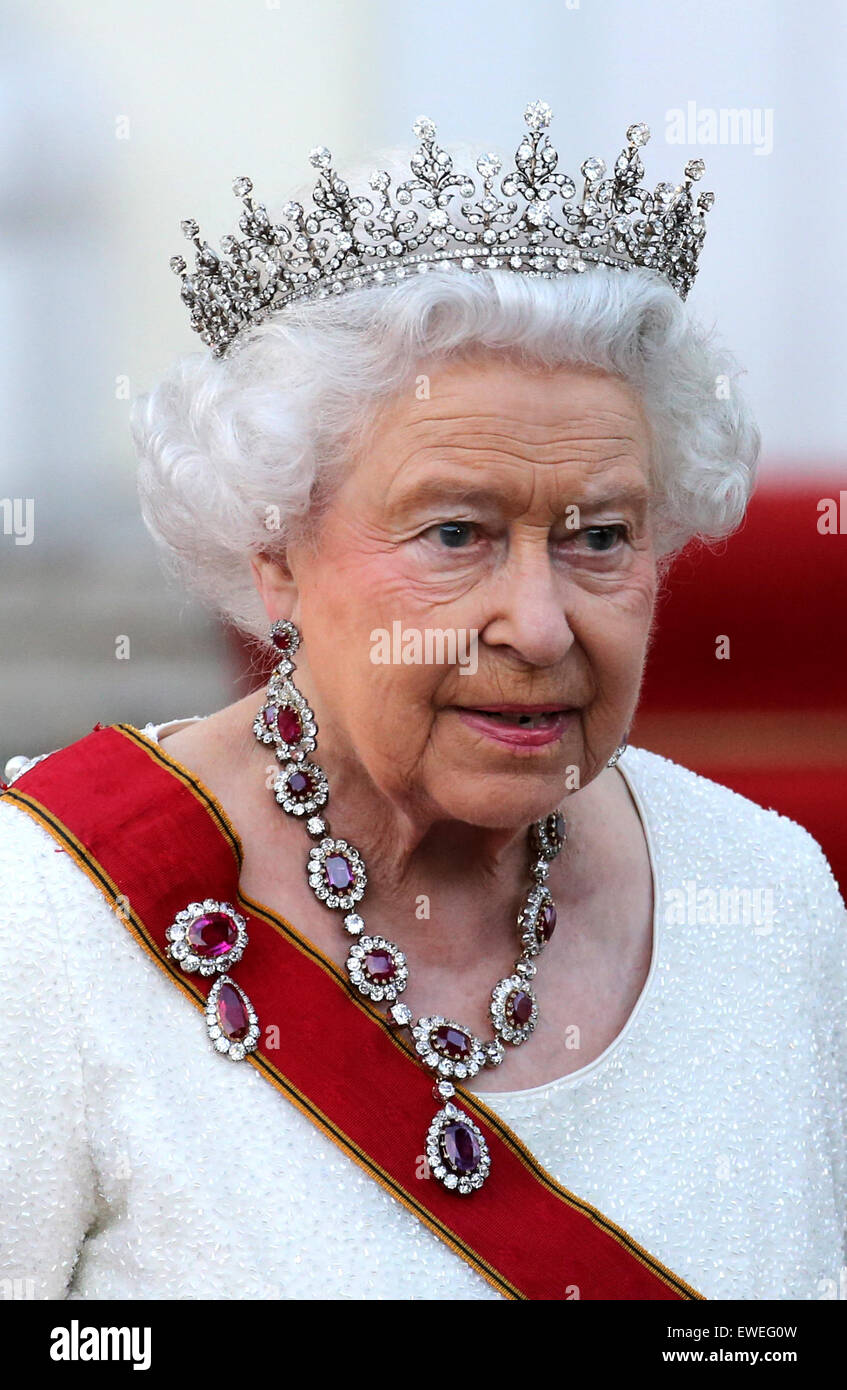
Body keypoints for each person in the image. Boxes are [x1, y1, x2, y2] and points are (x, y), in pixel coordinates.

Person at [1, 102, 844, 1302]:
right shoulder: (49, 912)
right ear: (275, 547)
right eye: (455, 532)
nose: (541, 624)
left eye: (599, 535)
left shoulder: (763, 894)